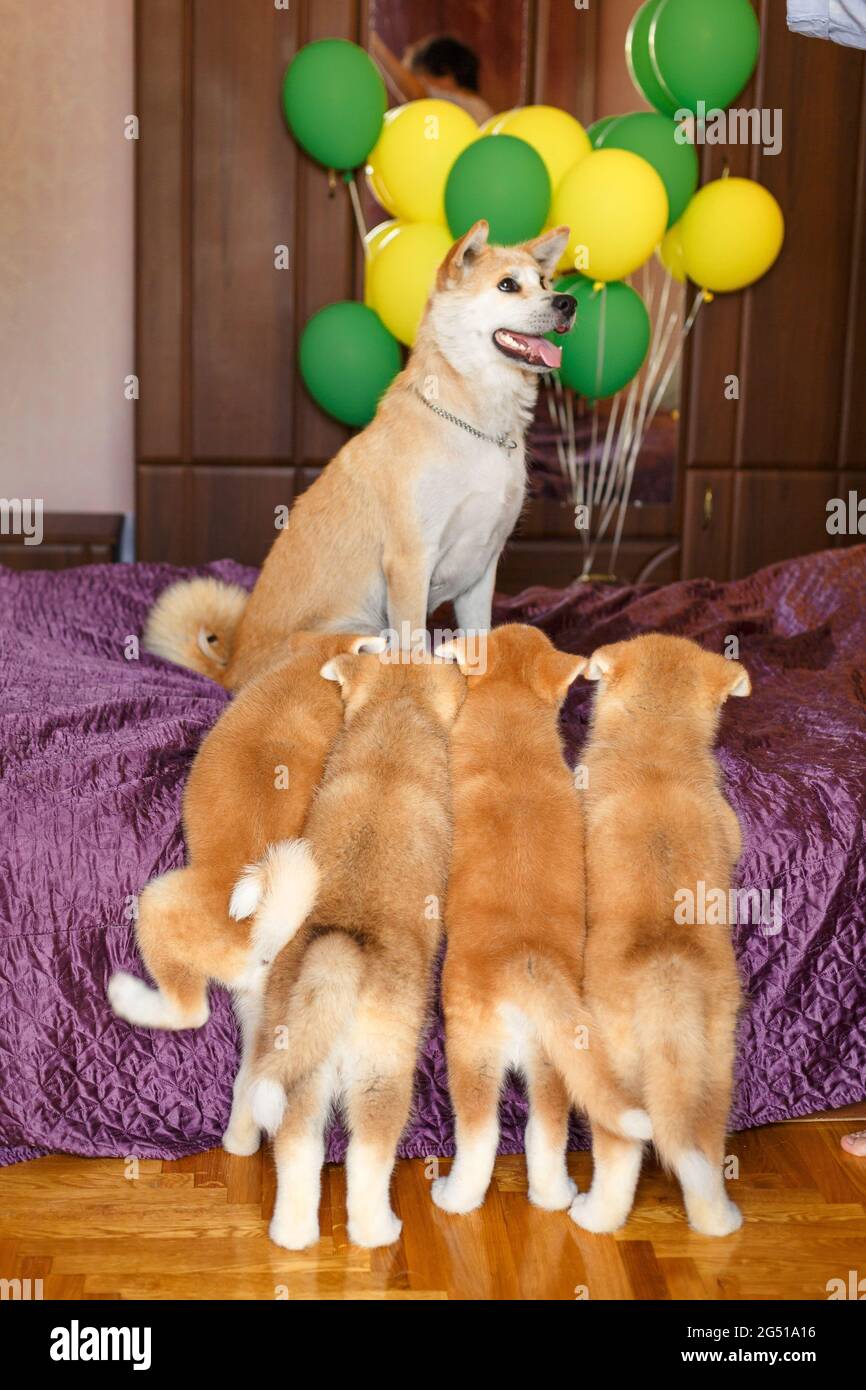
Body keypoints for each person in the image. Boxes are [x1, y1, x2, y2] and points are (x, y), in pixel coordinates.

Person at [370, 31, 494, 125]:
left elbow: (415, 94)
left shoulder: (471, 107)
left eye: (419, 78)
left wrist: (375, 43)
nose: (420, 84)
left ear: (446, 74)